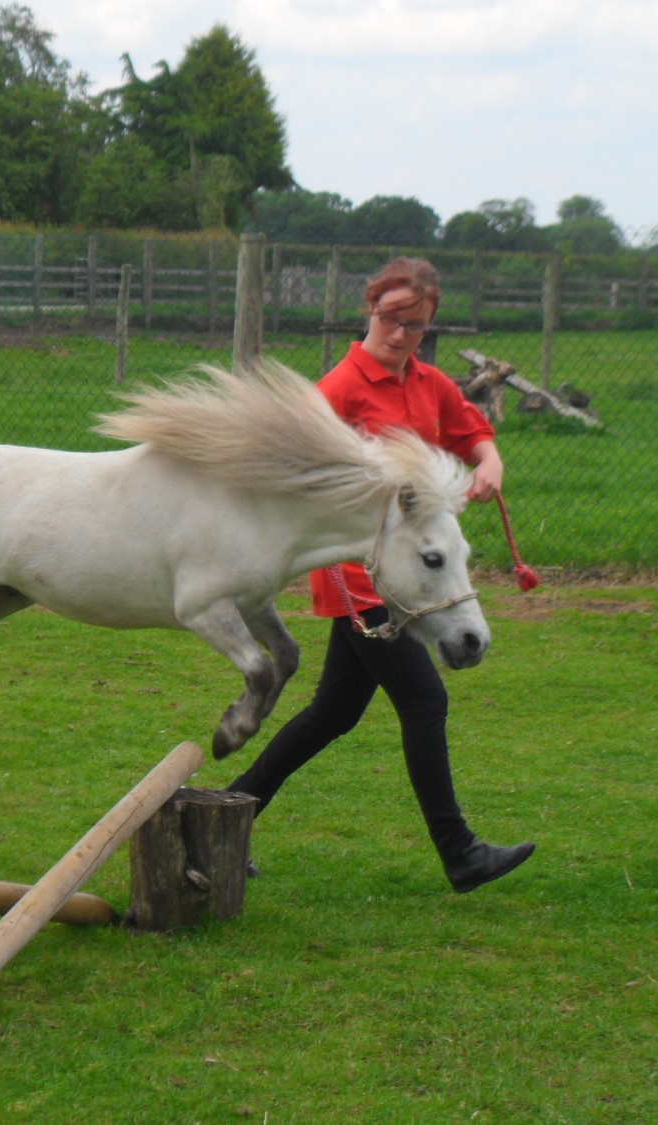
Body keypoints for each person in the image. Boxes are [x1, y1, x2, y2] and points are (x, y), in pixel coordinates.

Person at [226, 257, 535, 893]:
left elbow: (471, 429)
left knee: (331, 714)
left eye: (415, 325)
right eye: (390, 319)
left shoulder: (428, 384)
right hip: (361, 580)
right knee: (425, 699)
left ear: (427, 328)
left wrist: (490, 461)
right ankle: (460, 852)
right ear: (370, 310)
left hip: (410, 577)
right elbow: (292, 479)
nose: (399, 334)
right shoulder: (339, 390)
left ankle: (224, 817)